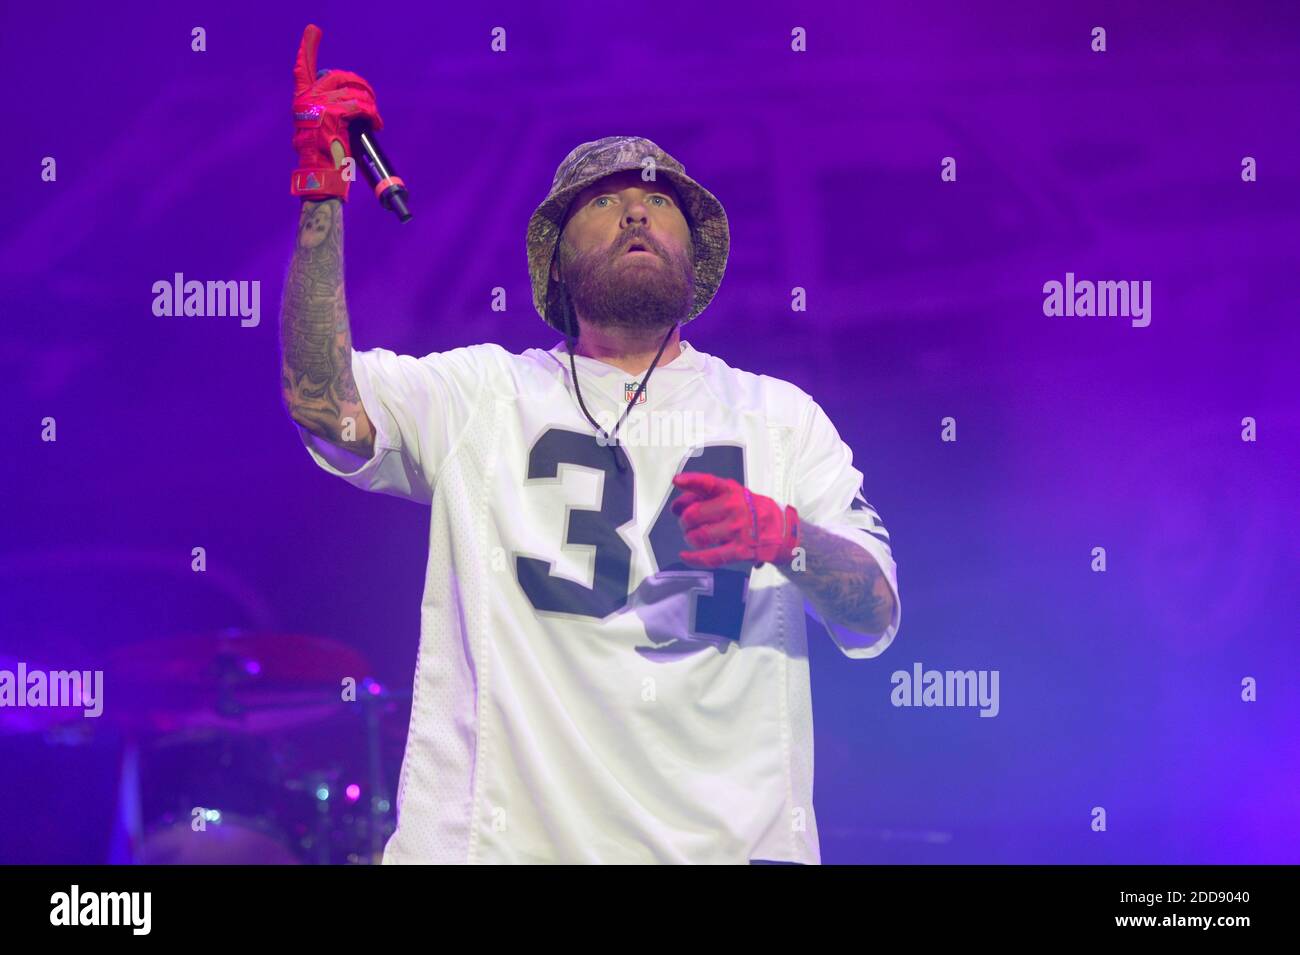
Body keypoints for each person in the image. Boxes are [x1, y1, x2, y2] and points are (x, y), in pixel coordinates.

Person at [280, 25, 901, 864]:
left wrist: (783, 536)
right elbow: (325, 402)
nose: (638, 208)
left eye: (661, 201)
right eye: (604, 201)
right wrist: (324, 194)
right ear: (555, 264)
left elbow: (875, 614)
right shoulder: (485, 393)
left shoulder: (779, 419)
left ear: (698, 255)